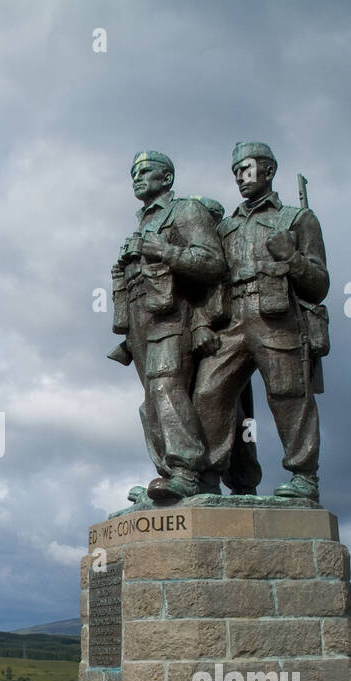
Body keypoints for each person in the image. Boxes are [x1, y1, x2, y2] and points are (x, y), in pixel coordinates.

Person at [192, 142, 329, 502]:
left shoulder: (297, 220)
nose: (241, 176)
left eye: (247, 168)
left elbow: (319, 286)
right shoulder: (224, 228)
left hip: (277, 318)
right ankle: (207, 476)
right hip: (232, 319)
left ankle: (303, 478)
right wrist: (203, 322)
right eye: (236, 171)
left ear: (269, 171)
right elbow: (211, 281)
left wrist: (293, 258)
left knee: (289, 396)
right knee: (209, 393)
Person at [110, 150, 225, 502]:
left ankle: (186, 472)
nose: (137, 178)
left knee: (165, 388)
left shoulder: (186, 211)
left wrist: (165, 251)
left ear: (167, 178)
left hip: (174, 317)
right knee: (151, 401)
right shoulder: (141, 221)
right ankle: (168, 475)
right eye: (133, 173)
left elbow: (211, 262)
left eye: (145, 171)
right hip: (140, 321)